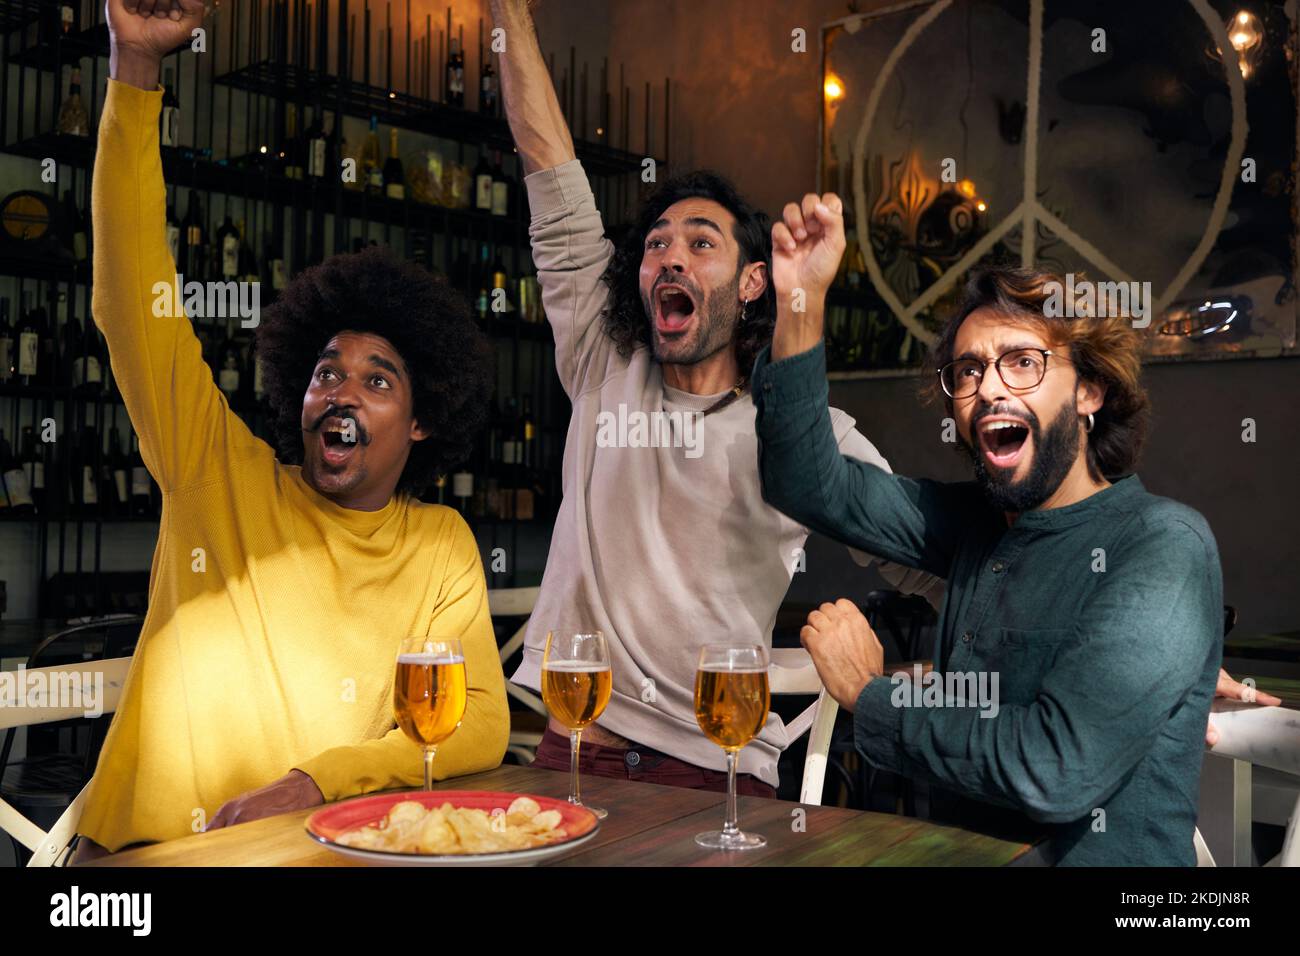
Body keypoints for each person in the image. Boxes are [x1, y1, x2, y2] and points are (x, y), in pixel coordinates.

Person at [73, 0, 508, 860]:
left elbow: (481, 728)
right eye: (327, 372)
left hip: (308, 850)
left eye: (377, 380)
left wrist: (319, 779)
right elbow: (132, 301)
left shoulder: (440, 544)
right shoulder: (215, 470)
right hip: (140, 864)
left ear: (421, 422)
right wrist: (134, 72)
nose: (341, 391)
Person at [488, 0, 940, 798]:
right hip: (576, 747)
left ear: (754, 279)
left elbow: (926, 561)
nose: (670, 257)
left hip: (720, 761)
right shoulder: (603, 364)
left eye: (701, 243)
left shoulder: (802, 436)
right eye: (656, 243)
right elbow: (547, 161)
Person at [752, 212, 1224, 864]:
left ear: (1088, 390)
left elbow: (1055, 769)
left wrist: (871, 694)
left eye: (1023, 363)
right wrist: (800, 300)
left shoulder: (1164, 545)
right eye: (968, 371)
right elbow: (807, 484)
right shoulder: (973, 524)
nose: (990, 388)